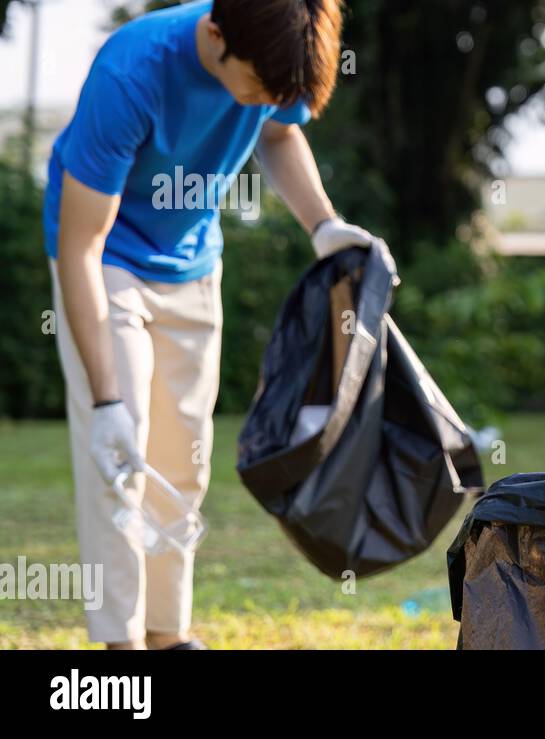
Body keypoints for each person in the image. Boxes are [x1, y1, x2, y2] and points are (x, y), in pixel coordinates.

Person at [46, 0, 372, 650]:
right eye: (256, 89)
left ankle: (168, 635)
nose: (261, 103)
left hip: (193, 261)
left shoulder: (273, 48)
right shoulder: (131, 74)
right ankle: (123, 647)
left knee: (183, 459)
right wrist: (106, 399)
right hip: (108, 259)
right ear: (216, 38)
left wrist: (323, 225)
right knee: (123, 456)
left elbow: (279, 133)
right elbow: (81, 246)